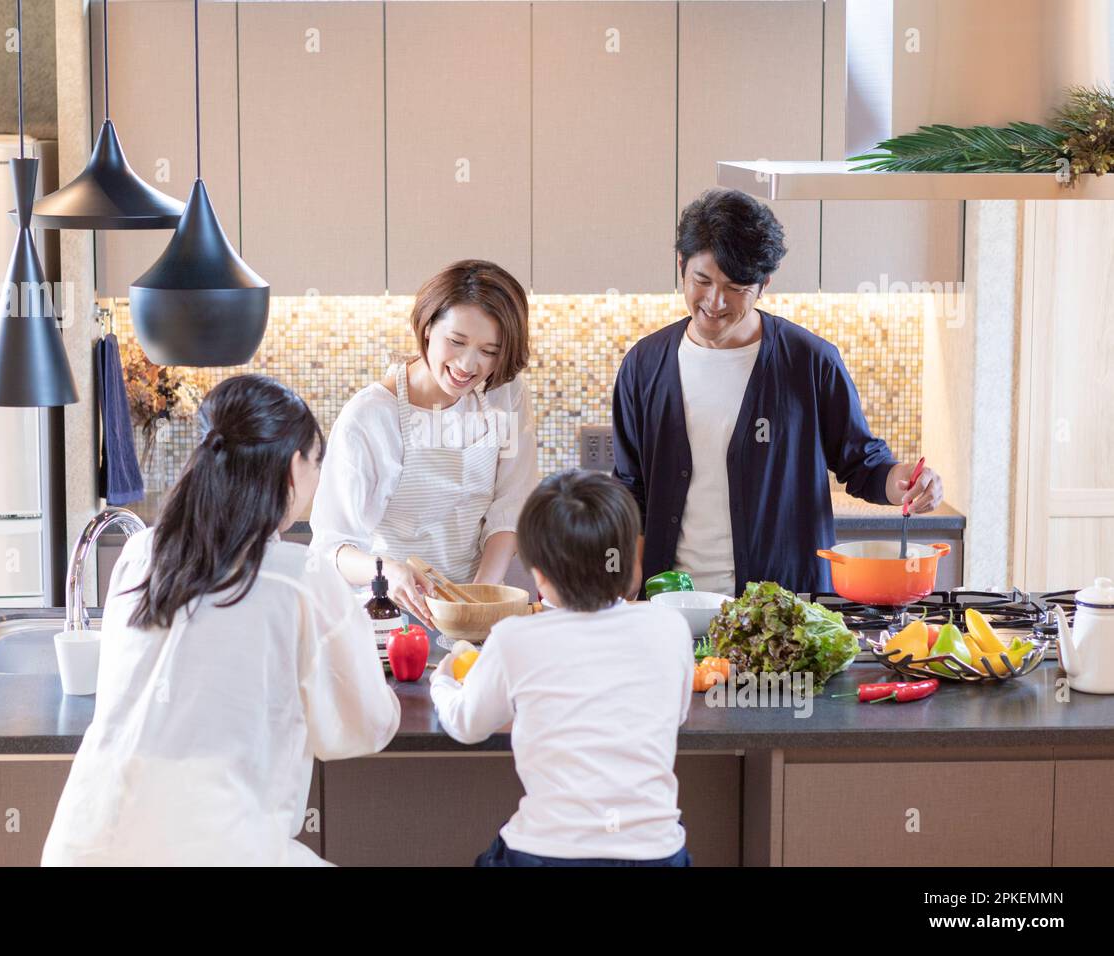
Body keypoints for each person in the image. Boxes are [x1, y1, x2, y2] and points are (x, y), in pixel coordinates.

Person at [42, 375, 399, 866]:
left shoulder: (141, 551)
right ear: (294, 467)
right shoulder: (300, 577)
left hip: (82, 844)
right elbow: (363, 726)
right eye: (317, 462)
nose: (318, 478)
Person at [612, 188, 944, 597]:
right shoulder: (644, 366)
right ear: (681, 265)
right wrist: (624, 573)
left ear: (765, 283)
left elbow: (860, 463)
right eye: (702, 280)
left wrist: (903, 482)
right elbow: (630, 488)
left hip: (783, 609)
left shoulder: (809, 361)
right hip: (672, 606)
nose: (715, 302)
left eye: (736, 286)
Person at [431, 470, 696, 867]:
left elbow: (467, 724)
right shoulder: (671, 628)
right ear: (629, 562)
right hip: (657, 853)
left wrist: (443, 680)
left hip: (547, 854)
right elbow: (674, 715)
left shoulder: (514, 637)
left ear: (539, 574)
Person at [309, 260, 539, 623]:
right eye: (457, 341)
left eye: (489, 351)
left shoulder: (504, 395)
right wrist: (388, 571)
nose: (468, 364)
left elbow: (511, 505)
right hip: (389, 619)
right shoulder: (370, 417)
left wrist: (474, 602)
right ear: (428, 327)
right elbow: (330, 548)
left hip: (473, 607)